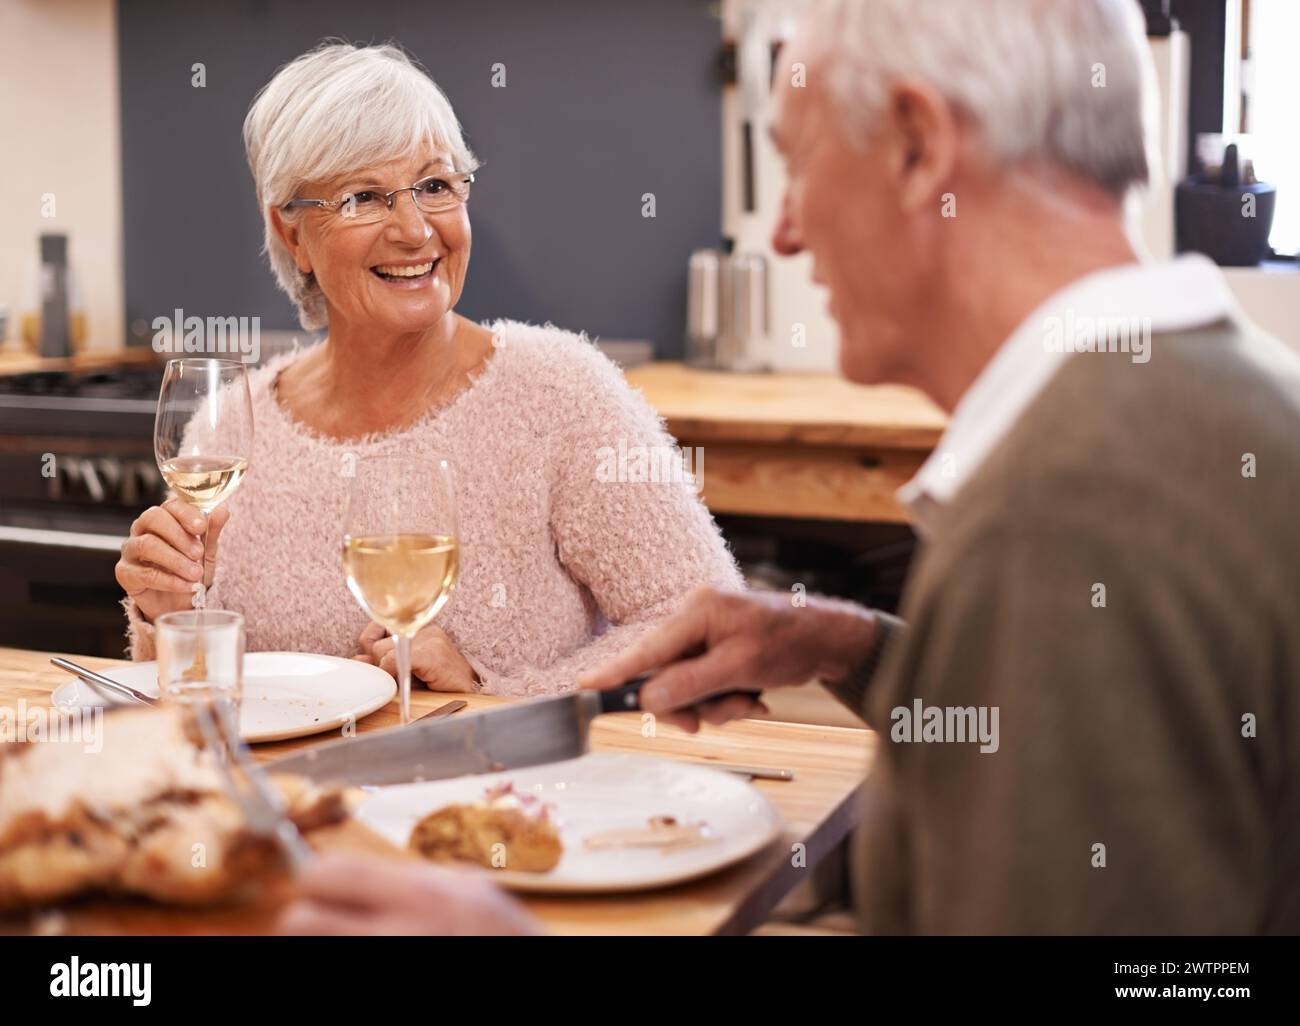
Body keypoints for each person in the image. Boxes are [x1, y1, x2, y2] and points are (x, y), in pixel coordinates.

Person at [282, 0, 1300, 934]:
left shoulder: (1061, 515)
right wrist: (848, 646)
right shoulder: (1226, 400)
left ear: (914, 148)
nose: (787, 228)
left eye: (800, 165)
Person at [115, 42, 741, 696]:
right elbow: (198, 706)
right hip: (292, 799)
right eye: (364, 198)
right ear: (293, 232)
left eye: (435, 186)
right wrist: (168, 615)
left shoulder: (560, 391)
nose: (415, 231)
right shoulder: (230, 428)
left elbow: (705, 626)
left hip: (499, 795)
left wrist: (495, 689)